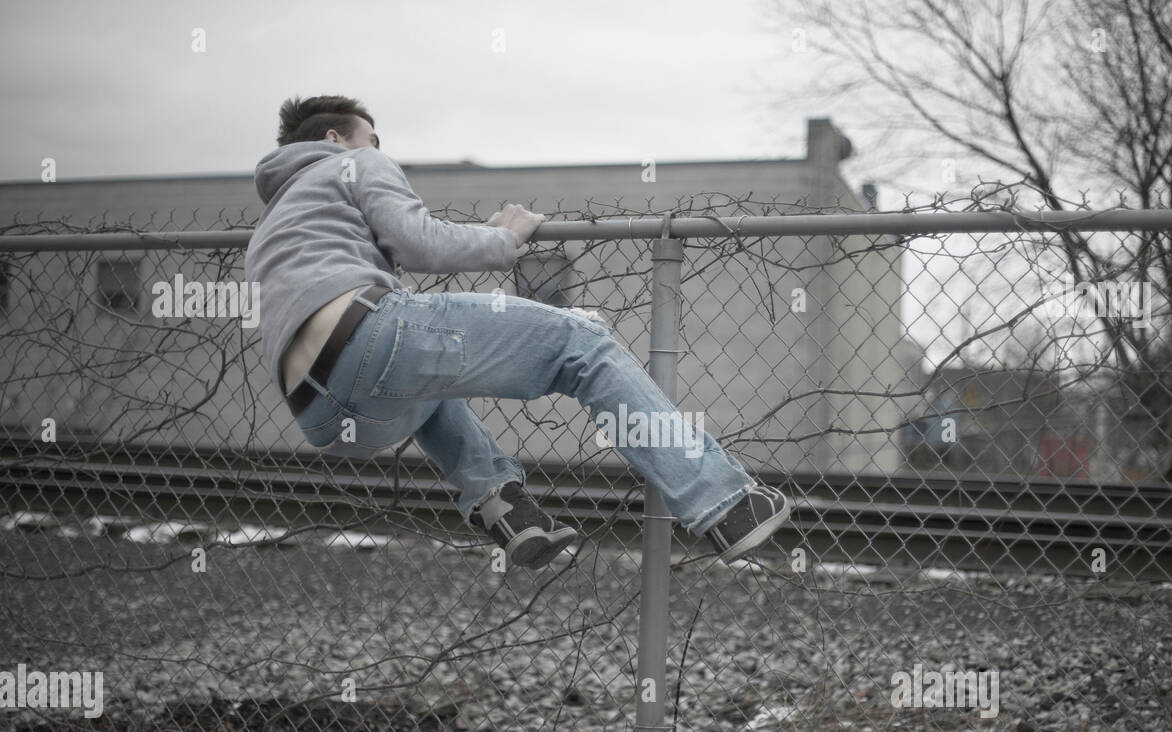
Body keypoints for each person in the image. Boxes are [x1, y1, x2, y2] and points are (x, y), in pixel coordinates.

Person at [245, 95, 790, 569]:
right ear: (336, 137)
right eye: (374, 137)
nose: (382, 147)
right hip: (364, 336)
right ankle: (725, 505)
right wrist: (504, 237)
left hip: (320, 412)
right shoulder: (358, 163)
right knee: (582, 343)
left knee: (431, 387)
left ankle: (505, 511)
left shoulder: (272, 224)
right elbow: (421, 245)